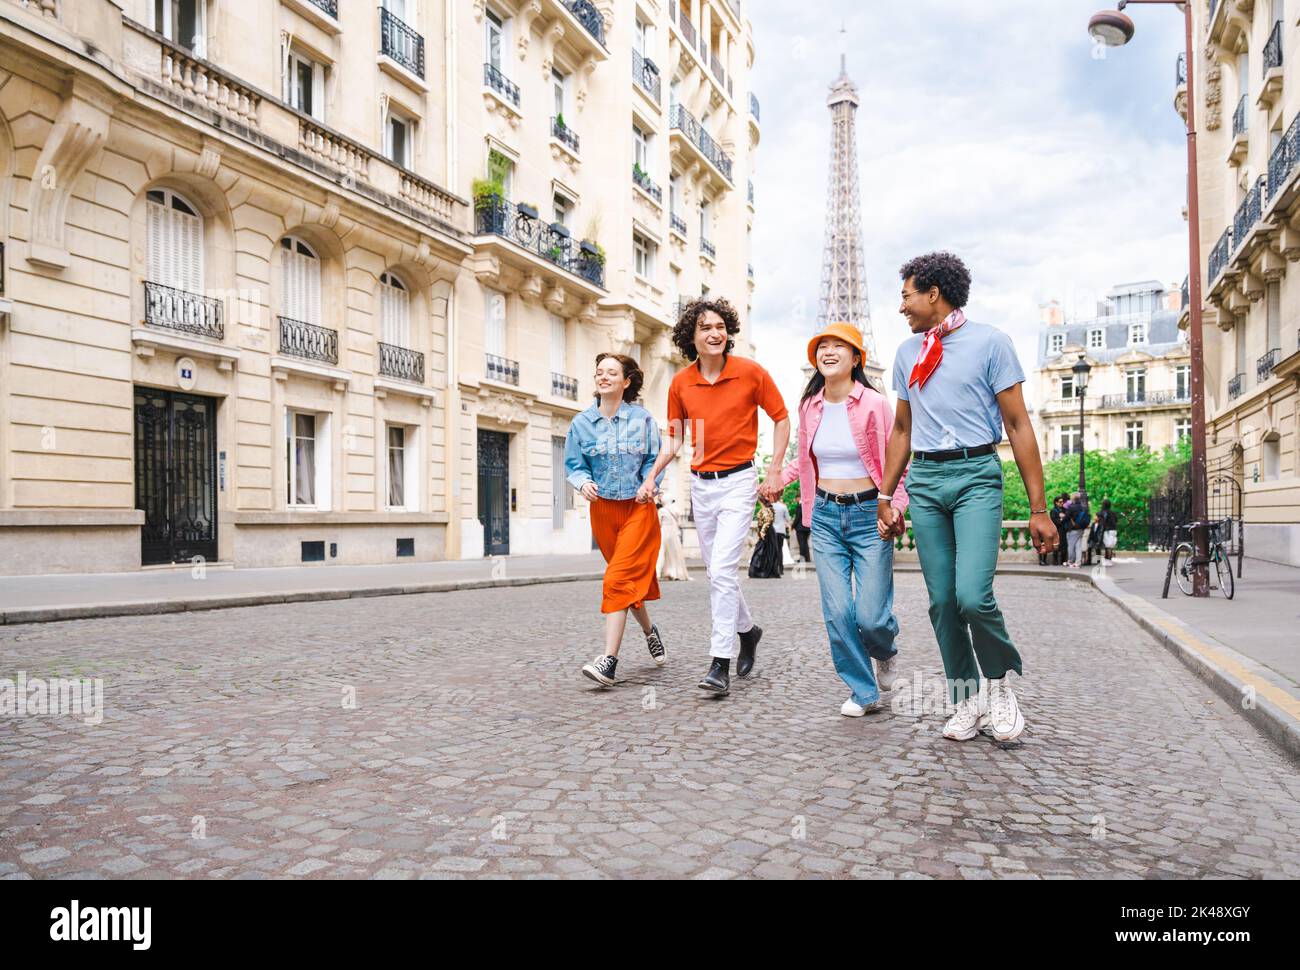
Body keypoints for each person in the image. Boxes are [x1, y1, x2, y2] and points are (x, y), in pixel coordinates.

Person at [877, 252, 1056, 743]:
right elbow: (901, 428)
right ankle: (966, 698)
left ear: (934, 292)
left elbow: (1018, 425)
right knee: (940, 603)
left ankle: (998, 686)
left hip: (977, 473)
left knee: (972, 597)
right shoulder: (906, 353)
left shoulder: (992, 343)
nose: (902, 307)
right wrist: (885, 494)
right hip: (927, 482)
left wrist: (1039, 510)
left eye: (907, 295)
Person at [637, 298, 790, 696]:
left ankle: (718, 662)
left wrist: (773, 469)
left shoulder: (751, 373)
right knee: (717, 572)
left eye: (720, 326)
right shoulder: (681, 383)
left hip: (739, 481)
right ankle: (748, 631)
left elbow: (781, 417)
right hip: (701, 484)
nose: (715, 333)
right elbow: (673, 438)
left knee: (722, 571)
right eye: (705, 327)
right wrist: (651, 476)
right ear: (692, 336)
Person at [775, 321, 909, 717]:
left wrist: (896, 505)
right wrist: (773, 480)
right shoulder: (809, 405)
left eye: (838, 346)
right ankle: (863, 691)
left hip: (871, 514)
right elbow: (805, 460)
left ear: (856, 358)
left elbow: (897, 461)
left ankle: (884, 649)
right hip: (828, 516)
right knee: (837, 612)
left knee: (871, 617)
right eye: (822, 347)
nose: (828, 352)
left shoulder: (874, 403)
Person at [565, 353, 668, 688]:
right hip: (604, 511)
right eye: (599, 372)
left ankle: (608, 662)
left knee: (616, 578)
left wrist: (649, 484)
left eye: (612, 373)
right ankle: (650, 631)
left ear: (626, 381)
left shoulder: (642, 420)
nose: (604, 377)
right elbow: (574, 464)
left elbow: (655, 460)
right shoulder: (580, 424)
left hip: (639, 508)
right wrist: (582, 482)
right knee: (627, 582)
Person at [657, 494, 691, 581]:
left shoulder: (662, 510)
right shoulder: (676, 510)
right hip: (673, 532)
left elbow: (659, 523)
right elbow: (679, 523)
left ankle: (658, 572)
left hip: (664, 531)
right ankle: (675, 573)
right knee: (674, 553)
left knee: (661, 552)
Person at [748, 498, 783, 578]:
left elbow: (767, 522)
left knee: (762, 551)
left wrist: (762, 532)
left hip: (767, 533)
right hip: (769, 532)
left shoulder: (766, 510)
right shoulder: (768, 509)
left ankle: (761, 571)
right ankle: (765, 571)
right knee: (768, 552)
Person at [1065, 491, 1089, 568]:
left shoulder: (1071, 508)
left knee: (1071, 546)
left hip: (1073, 529)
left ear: (1073, 498)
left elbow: (1066, 518)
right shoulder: (1084, 507)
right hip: (1081, 529)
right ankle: (1078, 562)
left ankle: (1070, 561)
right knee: (1078, 546)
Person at [1049, 493, 1070, 566]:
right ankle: (1055, 561)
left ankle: (1063, 561)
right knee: (1056, 546)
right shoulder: (1053, 511)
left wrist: (1062, 518)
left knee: (1064, 546)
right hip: (1057, 530)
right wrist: (1062, 518)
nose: (1062, 503)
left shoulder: (1064, 510)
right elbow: (1055, 521)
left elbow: (1067, 518)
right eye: (1060, 502)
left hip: (1064, 530)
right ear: (1056, 502)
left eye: (1062, 502)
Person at [770, 494, 790, 564]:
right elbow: (788, 519)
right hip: (781, 530)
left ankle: (772, 567)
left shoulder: (770, 506)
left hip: (772, 530)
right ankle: (780, 568)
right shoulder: (783, 507)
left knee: (772, 549)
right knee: (779, 549)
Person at [1099, 498, 1119, 563]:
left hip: (1107, 530)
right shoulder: (1113, 513)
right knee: (1110, 545)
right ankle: (1108, 559)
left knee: (1108, 546)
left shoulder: (1104, 512)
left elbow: (1102, 521)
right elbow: (1116, 520)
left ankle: (1108, 560)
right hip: (1114, 530)